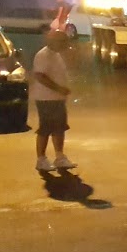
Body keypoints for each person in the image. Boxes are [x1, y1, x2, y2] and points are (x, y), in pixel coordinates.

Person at [30, 28, 76, 172]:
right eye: (62, 41)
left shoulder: (55, 54)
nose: (65, 44)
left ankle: (59, 157)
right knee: (46, 128)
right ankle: (41, 159)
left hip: (56, 99)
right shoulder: (43, 55)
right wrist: (58, 88)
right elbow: (40, 76)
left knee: (59, 128)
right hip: (46, 99)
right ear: (52, 41)